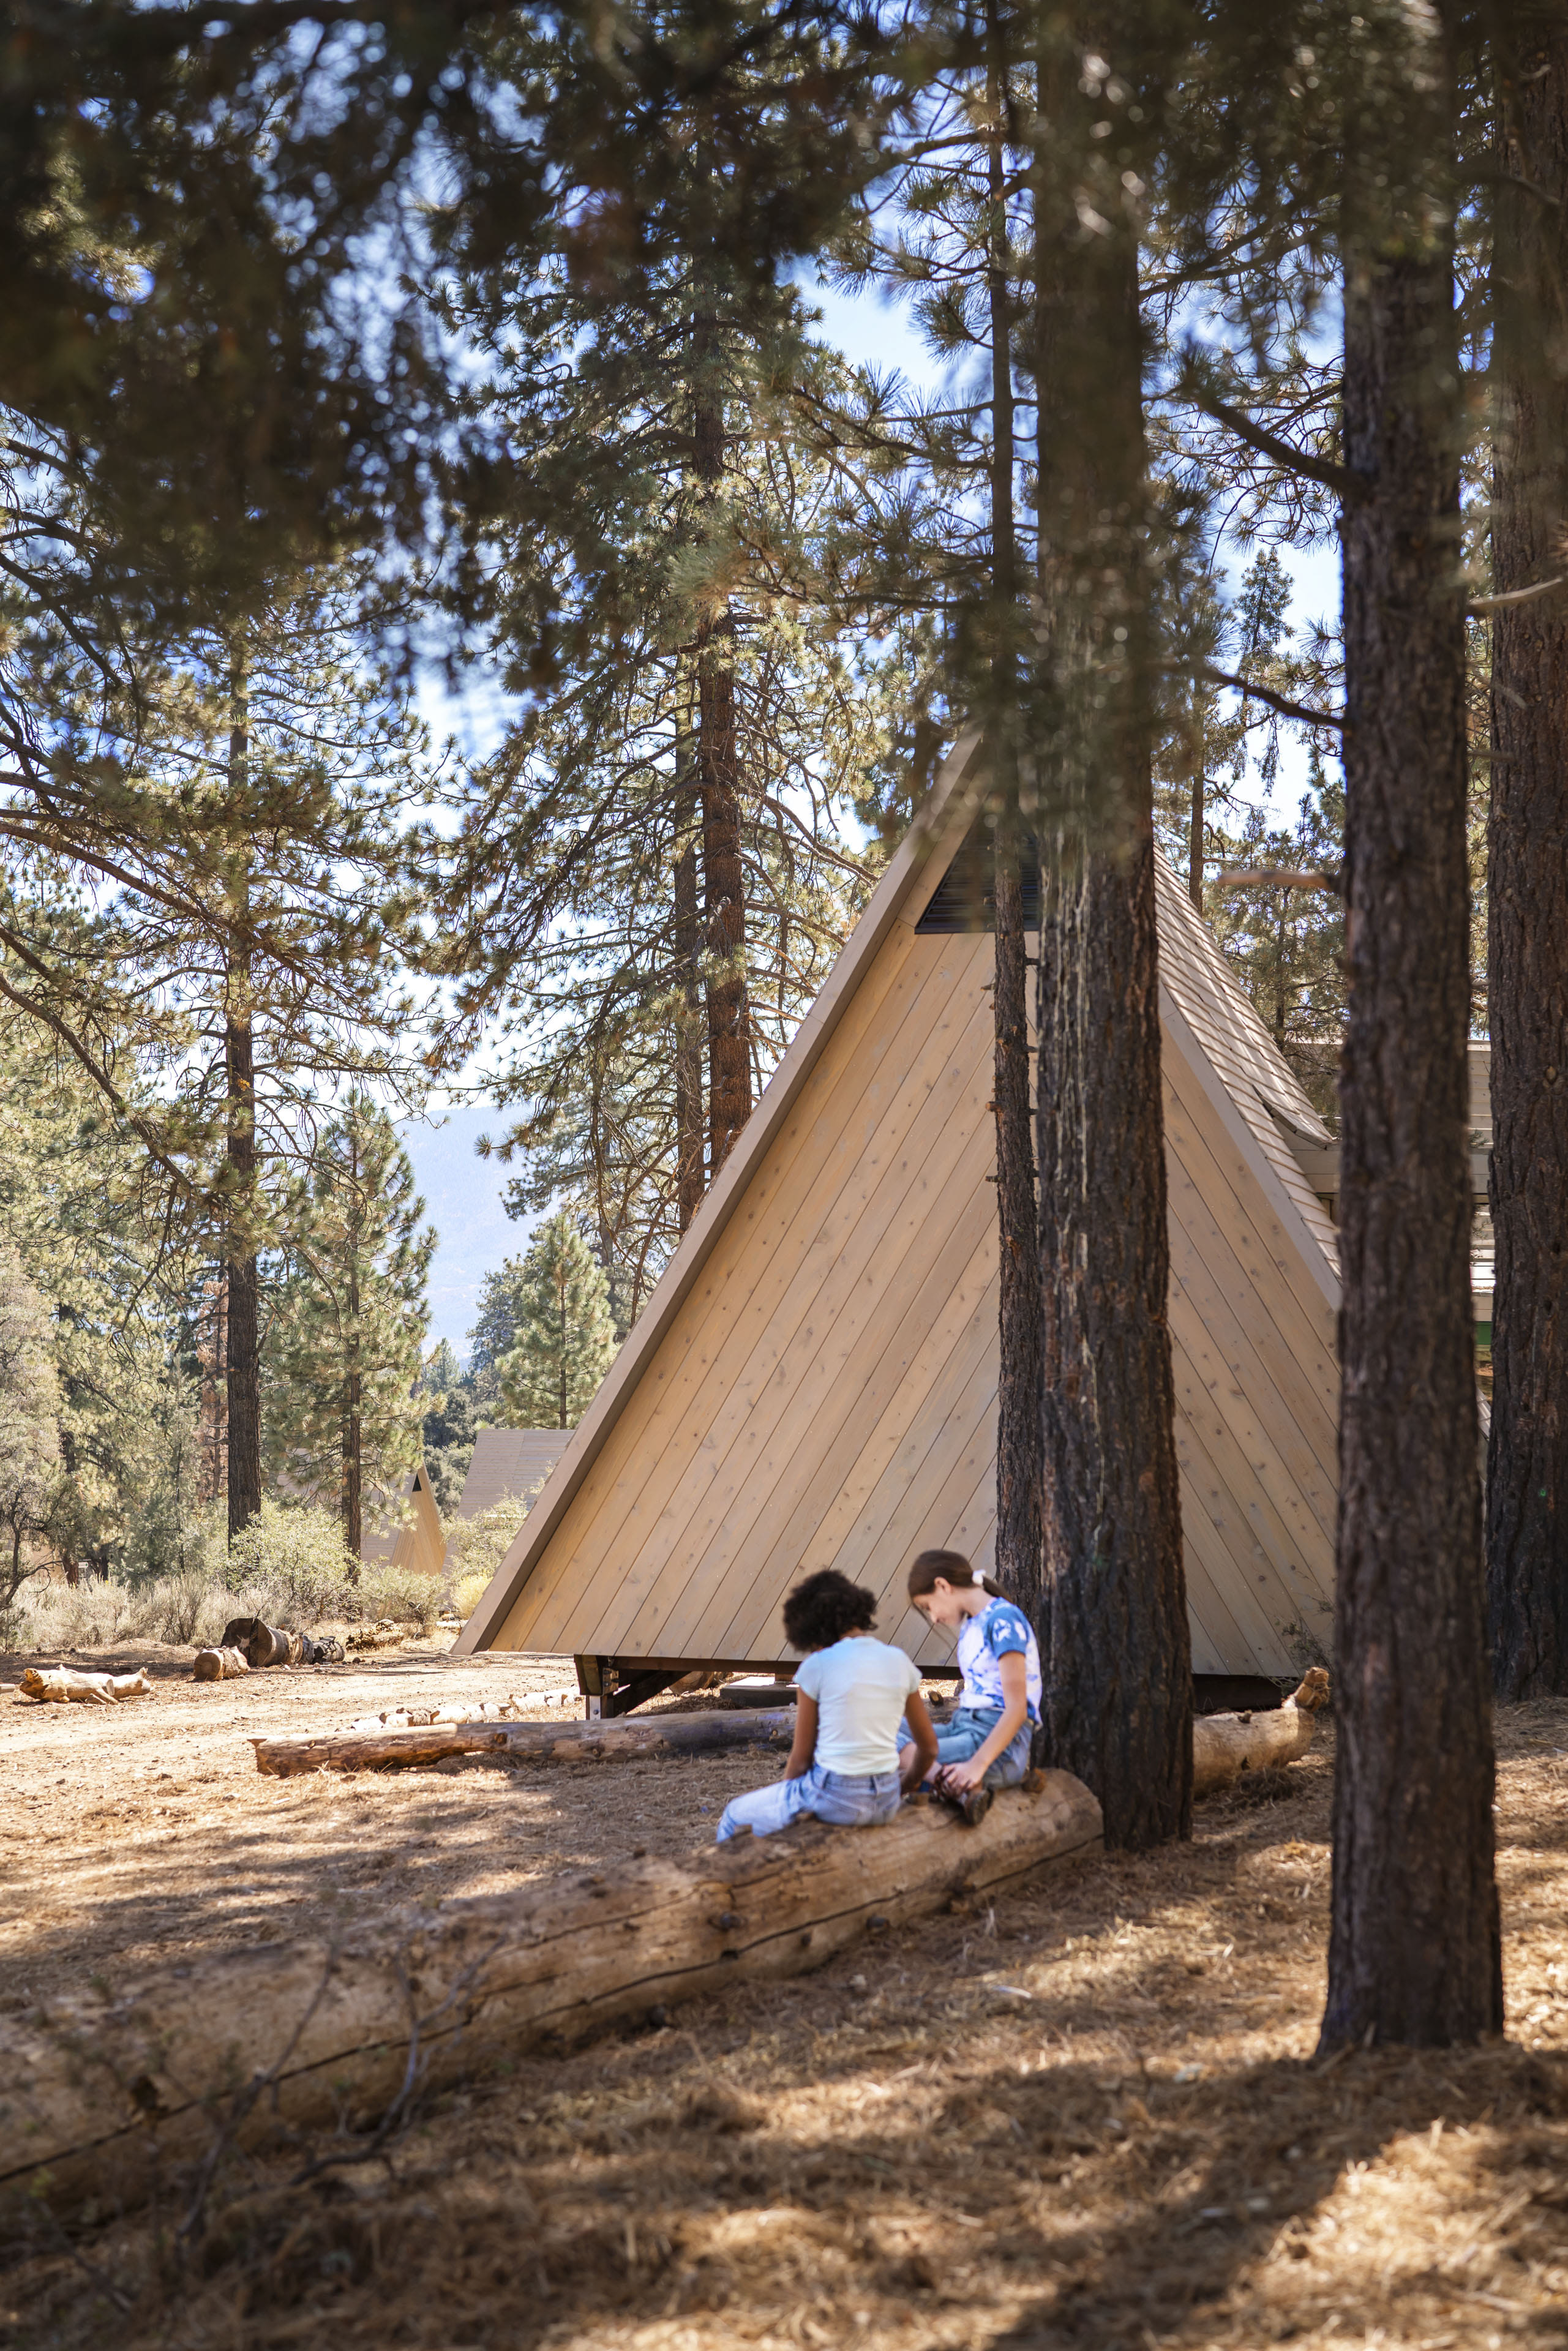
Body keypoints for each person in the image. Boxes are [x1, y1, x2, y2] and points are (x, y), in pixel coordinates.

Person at [715, 1569, 938, 1842]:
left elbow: (801, 1759)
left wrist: (788, 1802)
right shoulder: (899, 1660)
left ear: (815, 1629)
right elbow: (929, 1748)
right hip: (887, 1799)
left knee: (733, 1815)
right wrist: (907, 1784)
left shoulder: (818, 1666)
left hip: (837, 1797)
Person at [898, 1548, 1040, 1824]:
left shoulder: (1003, 1620)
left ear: (942, 1586)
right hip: (963, 1728)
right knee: (876, 1729)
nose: (933, 1619)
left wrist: (976, 1766)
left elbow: (1018, 1709)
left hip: (998, 1747)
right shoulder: (973, 1624)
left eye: (928, 1607)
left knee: (880, 1750)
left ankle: (943, 1780)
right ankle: (945, 1783)